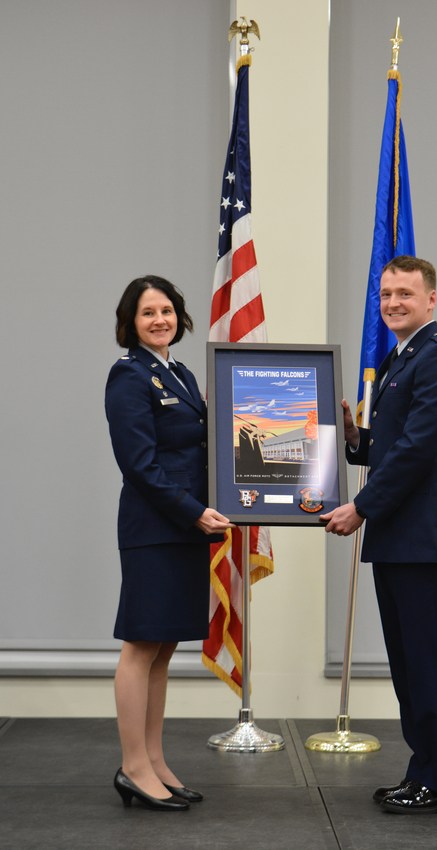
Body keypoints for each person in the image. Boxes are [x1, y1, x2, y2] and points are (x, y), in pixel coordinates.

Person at [321, 256, 437, 814]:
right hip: (401, 536)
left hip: (422, 535)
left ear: (431, 299)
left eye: (405, 294)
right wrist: (353, 438)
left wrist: (360, 507)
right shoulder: (401, 358)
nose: (392, 303)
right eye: (386, 295)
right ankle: (426, 771)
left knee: (428, 663)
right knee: (410, 666)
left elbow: (417, 451)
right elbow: (393, 444)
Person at [105, 275, 232, 811]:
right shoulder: (128, 376)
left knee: (162, 651)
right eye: (147, 312)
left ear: (180, 316)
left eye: (166, 310)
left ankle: (154, 760)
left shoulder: (177, 373)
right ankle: (133, 767)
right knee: (140, 647)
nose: (159, 320)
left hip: (186, 529)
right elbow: (138, 464)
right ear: (130, 324)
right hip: (156, 531)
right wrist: (192, 512)